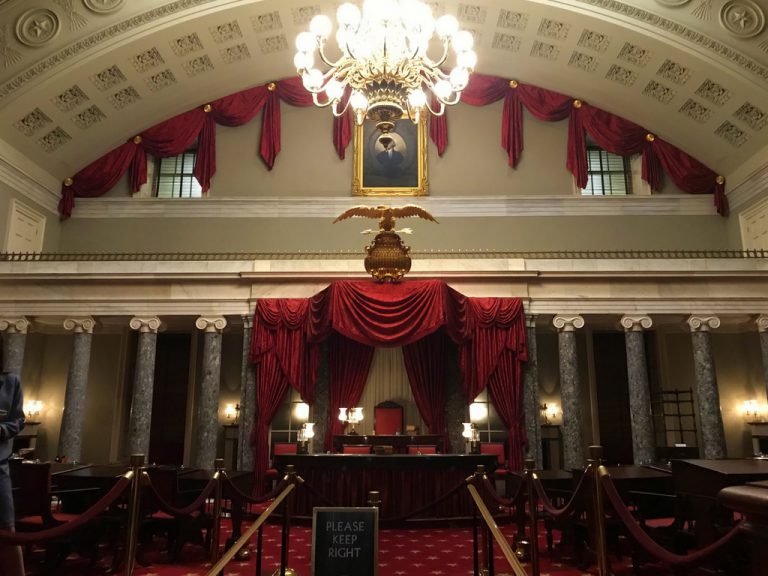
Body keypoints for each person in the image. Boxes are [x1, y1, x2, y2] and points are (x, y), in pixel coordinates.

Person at [0, 368, 25, 576]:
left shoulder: (10, 381)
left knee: (8, 532)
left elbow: (17, 420)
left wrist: (2, 430)